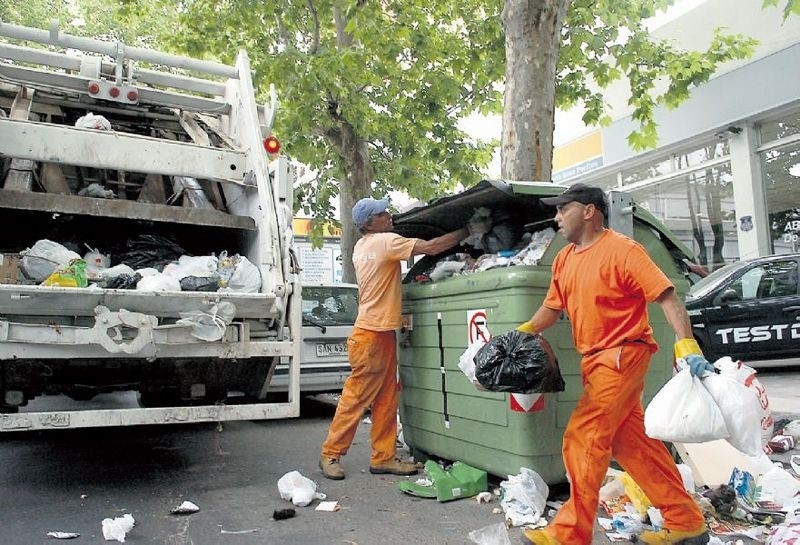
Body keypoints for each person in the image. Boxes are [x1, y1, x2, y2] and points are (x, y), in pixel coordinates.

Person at [516, 183, 714, 545]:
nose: (557, 217)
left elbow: (667, 296)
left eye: (563, 209)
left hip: (623, 355)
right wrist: (523, 331)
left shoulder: (623, 251)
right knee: (634, 445)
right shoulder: (564, 259)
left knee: (583, 436)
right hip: (595, 362)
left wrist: (687, 344)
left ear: (589, 211)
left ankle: (569, 534)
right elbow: (552, 307)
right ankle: (685, 521)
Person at [319, 197, 474, 480]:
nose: (388, 215)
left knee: (386, 399)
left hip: (376, 333)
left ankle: (384, 457)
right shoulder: (385, 241)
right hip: (371, 335)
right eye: (382, 213)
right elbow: (432, 247)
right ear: (370, 223)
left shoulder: (362, 245)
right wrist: (468, 230)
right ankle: (331, 454)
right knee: (356, 399)